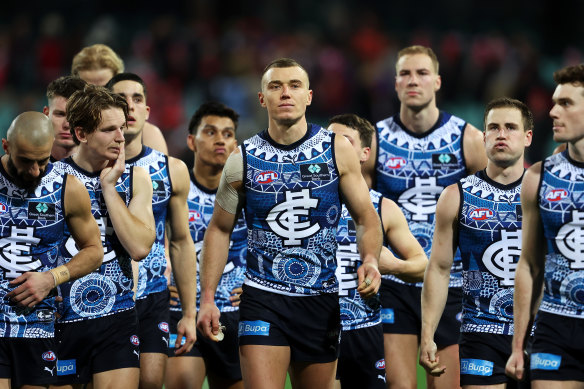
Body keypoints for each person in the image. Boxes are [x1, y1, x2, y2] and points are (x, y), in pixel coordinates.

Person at [196, 58, 382, 389]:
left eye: (294, 86)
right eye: (275, 86)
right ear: (261, 98)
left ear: (309, 96)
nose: (285, 93)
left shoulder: (336, 149)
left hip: (320, 299)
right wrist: (207, 297)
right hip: (262, 297)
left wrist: (370, 259)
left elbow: (366, 216)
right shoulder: (242, 159)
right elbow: (219, 229)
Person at [363, 45, 487, 389]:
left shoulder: (469, 139)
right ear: (395, 83)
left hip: (452, 284)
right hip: (393, 284)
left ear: (437, 82)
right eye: (404, 73)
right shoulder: (375, 140)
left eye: (421, 73)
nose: (412, 80)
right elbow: (360, 213)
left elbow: (497, 205)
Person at [420, 97, 533, 388]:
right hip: (480, 333)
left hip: (541, 334)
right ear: (483, 137)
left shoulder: (546, 193)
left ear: (528, 137)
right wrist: (427, 334)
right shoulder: (456, 196)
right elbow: (439, 269)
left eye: (511, 127)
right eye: (493, 128)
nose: (501, 134)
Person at [51, 85, 156, 389]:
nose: (121, 137)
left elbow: (138, 247)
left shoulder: (137, 177)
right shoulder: (51, 180)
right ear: (81, 134)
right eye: (109, 129)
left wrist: (109, 188)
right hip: (61, 320)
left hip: (117, 316)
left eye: (122, 128)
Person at [106, 72, 197, 389]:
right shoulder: (86, 169)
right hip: (99, 297)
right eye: (120, 100)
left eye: (138, 99)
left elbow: (182, 242)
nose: (129, 107)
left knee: (149, 382)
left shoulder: (172, 170)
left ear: (147, 111)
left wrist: (188, 312)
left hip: (153, 296)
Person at [0, 112, 103, 388]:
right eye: (25, 161)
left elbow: (94, 250)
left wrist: (51, 279)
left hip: (38, 325)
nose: (35, 171)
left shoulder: (67, 186)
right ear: (5, 146)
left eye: (42, 161)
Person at [328, 113, 428, 389]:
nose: (333, 148)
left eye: (344, 141)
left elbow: (423, 265)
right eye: (329, 141)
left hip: (364, 329)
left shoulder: (383, 208)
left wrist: (394, 266)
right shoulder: (303, 200)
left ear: (364, 153)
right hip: (317, 325)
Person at [506, 64, 584, 387]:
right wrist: (517, 344)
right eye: (554, 102)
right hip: (555, 326)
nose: (552, 111)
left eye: (566, 103)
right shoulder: (538, 178)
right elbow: (529, 264)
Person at [165, 102, 246, 389]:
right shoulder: (174, 189)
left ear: (235, 144)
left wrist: (256, 286)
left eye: (227, 134)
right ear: (191, 140)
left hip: (235, 312)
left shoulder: (249, 192)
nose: (220, 139)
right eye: (210, 132)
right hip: (183, 310)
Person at [71, 43, 168, 154]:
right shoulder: (64, 135)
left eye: (104, 89)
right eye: (88, 90)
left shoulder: (148, 136)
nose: (96, 98)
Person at [43, 75, 87, 161]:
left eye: (75, 116)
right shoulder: (28, 169)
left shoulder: (105, 169)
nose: (67, 124)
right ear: (46, 114)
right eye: (60, 114)